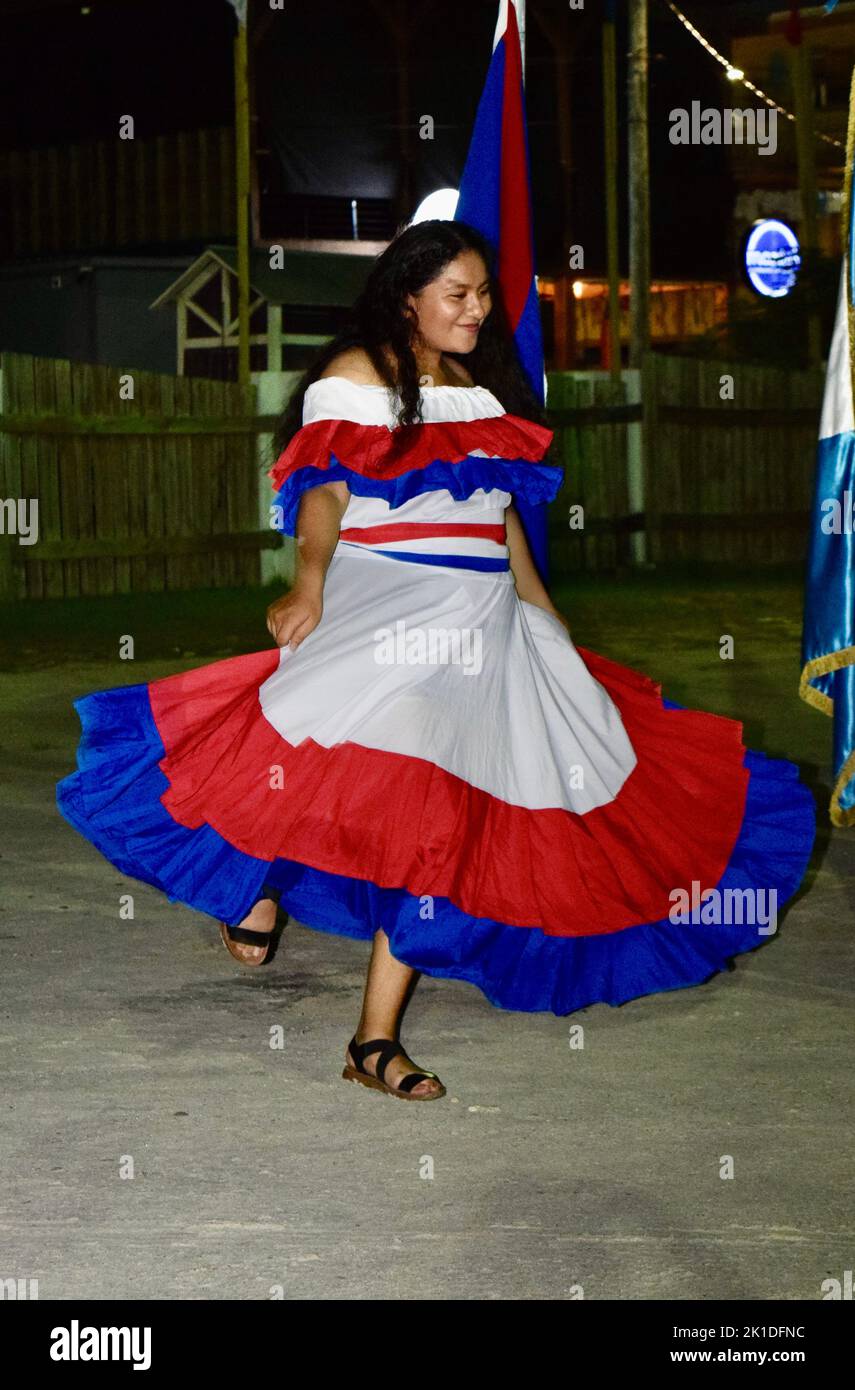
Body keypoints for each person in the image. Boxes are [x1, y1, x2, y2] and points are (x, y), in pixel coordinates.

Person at [57, 219, 816, 1103]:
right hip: (387, 603)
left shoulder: (481, 394)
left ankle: (370, 1038)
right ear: (406, 296)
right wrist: (308, 585)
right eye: (457, 293)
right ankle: (258, 889)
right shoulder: (354, 376)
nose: (478, 308)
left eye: (484, 292)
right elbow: (323, 491)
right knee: (321, 773)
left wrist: (545, 620)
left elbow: (500, 519)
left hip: (483, 621)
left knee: (452, 812)